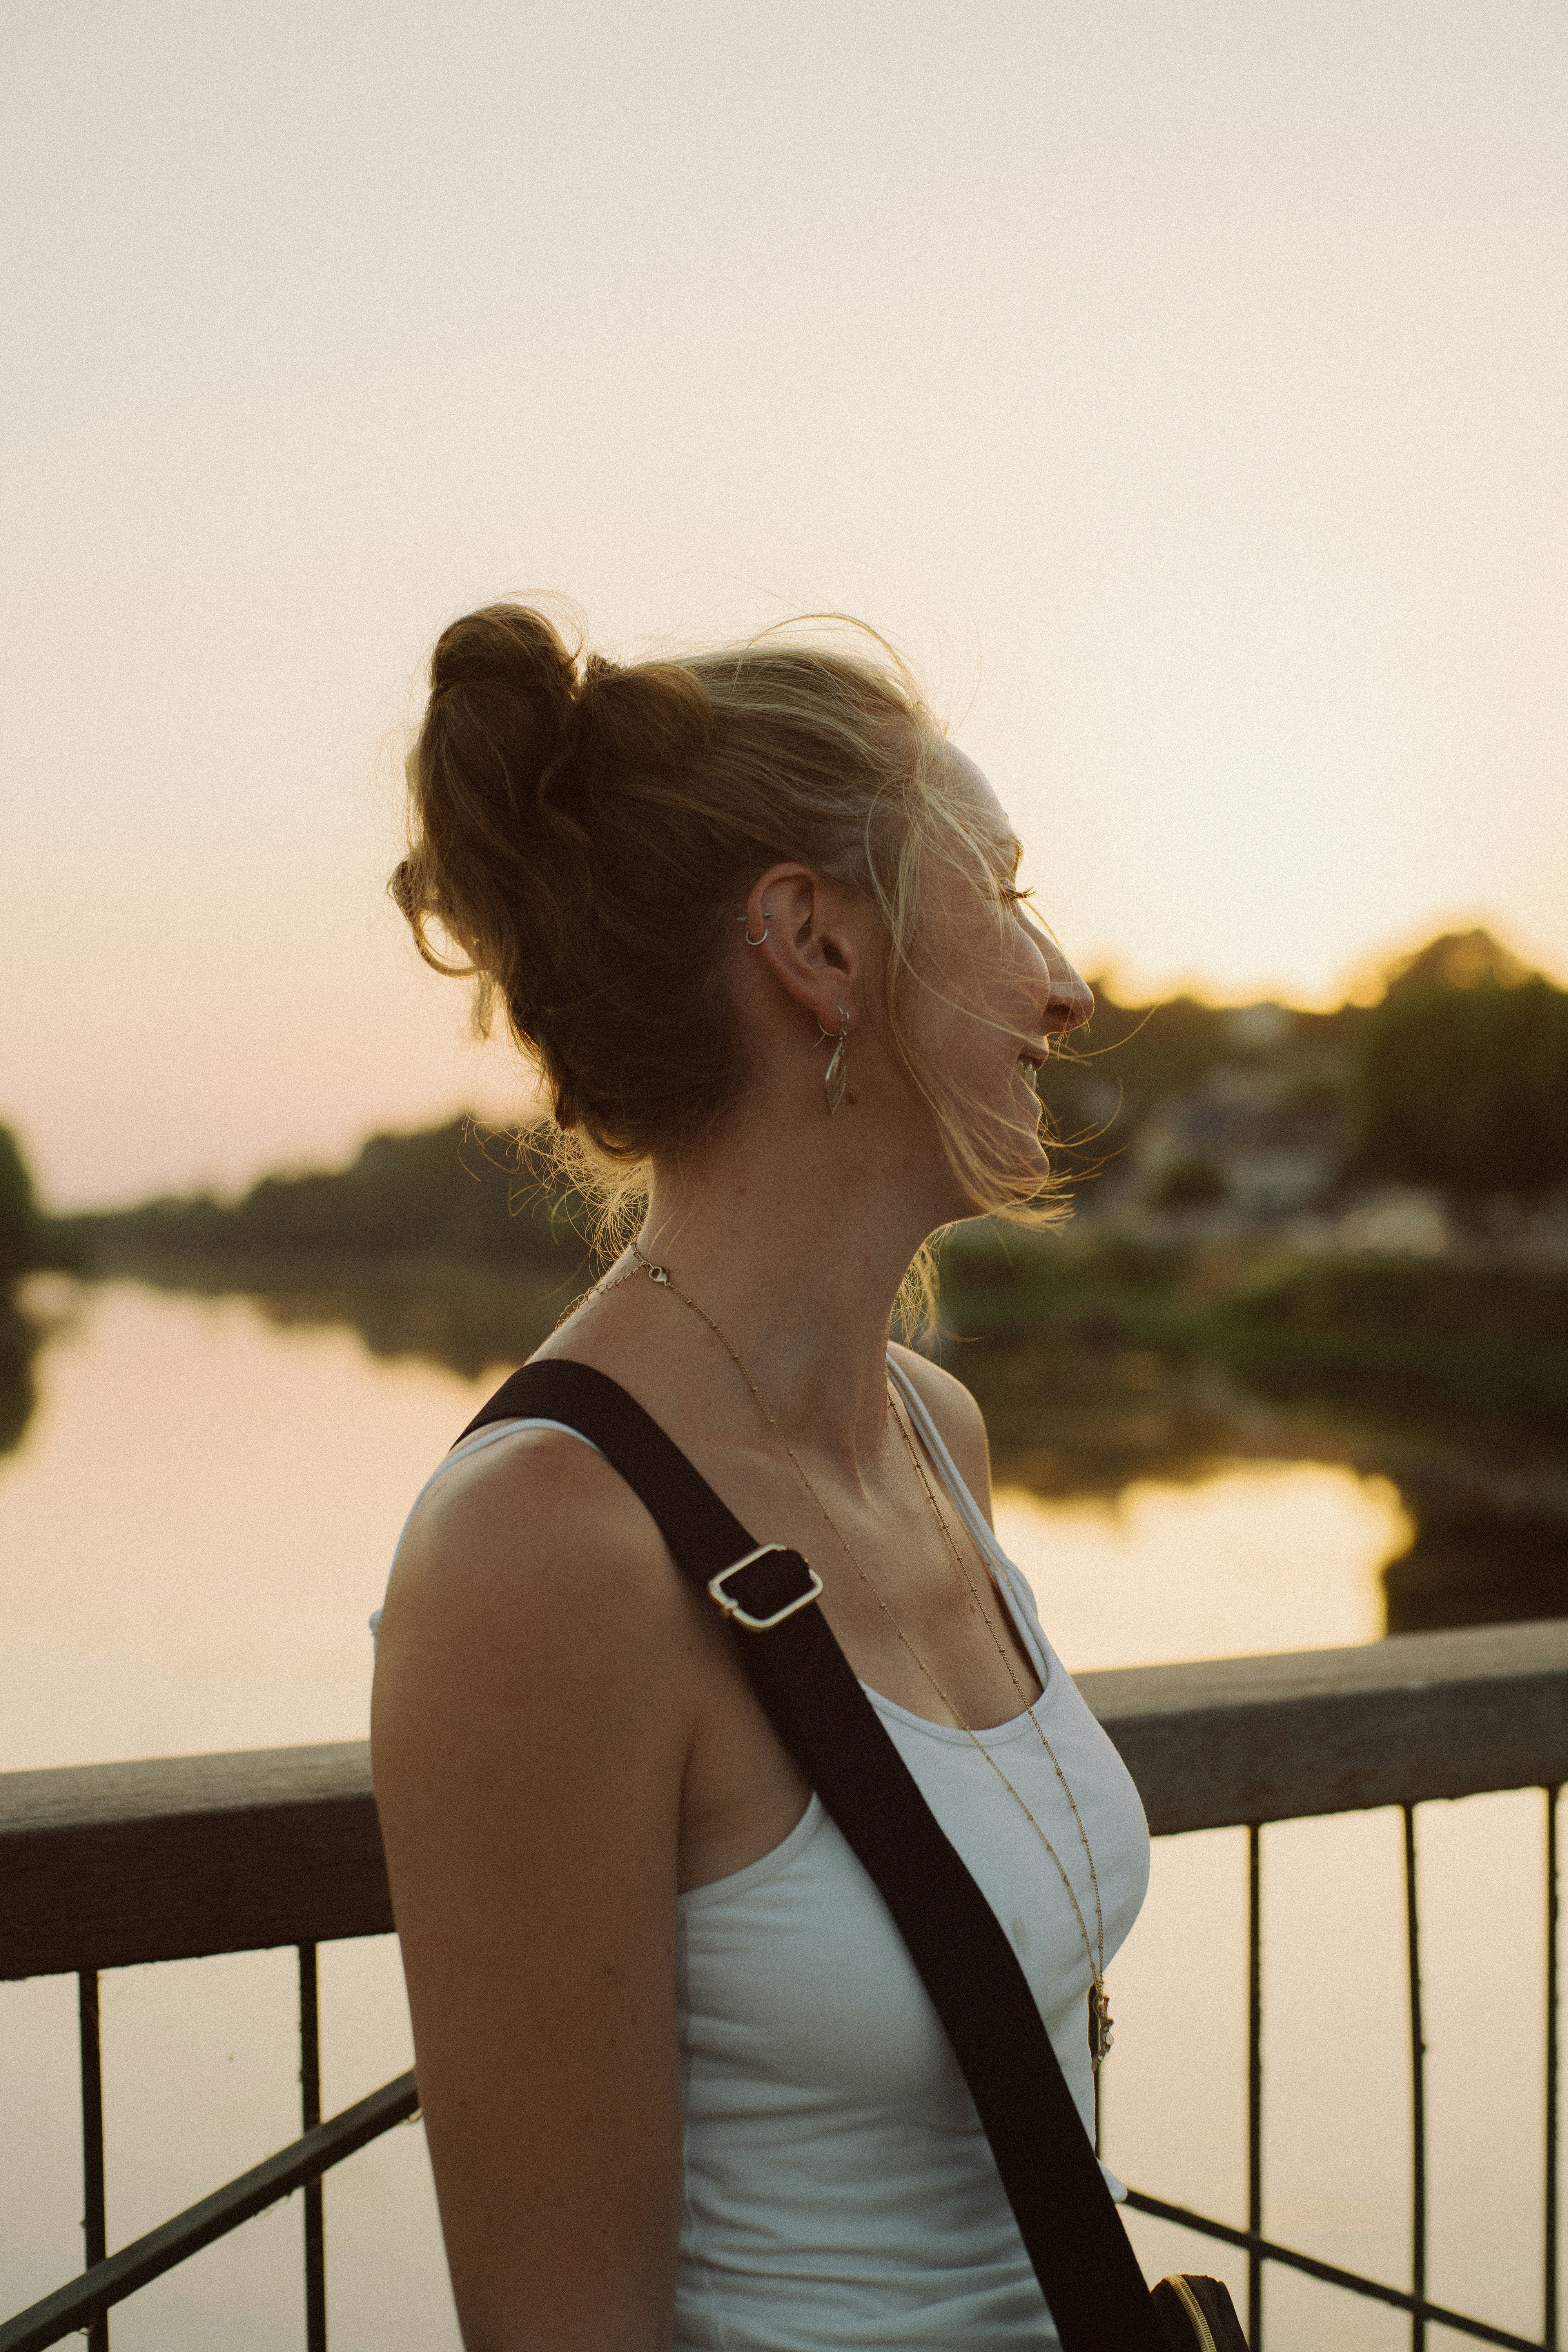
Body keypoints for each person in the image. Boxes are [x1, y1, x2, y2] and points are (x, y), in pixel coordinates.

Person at [370, 605, 1151, 2352]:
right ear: (816, 942)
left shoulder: (937, 1439)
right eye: (1003, 893)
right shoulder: (542, 1553)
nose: (1064, 987)